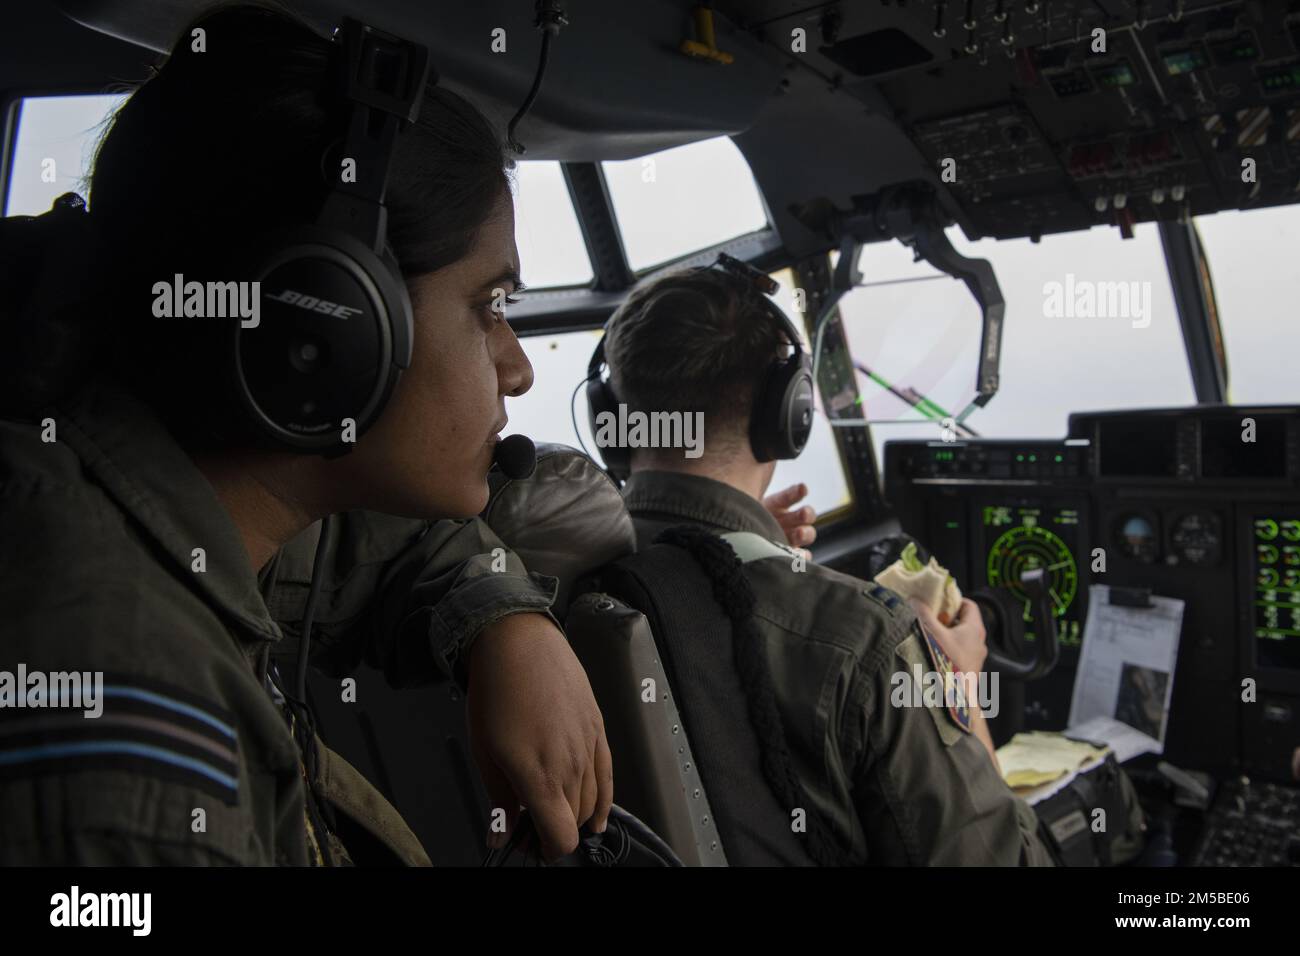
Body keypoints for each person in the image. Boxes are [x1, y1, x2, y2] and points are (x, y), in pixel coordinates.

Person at [0, 6, 611, 865]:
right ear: (330, 332)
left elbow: (381, 550)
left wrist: (508, 625)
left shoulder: (155, 486)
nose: (519, 369)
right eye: (491, 308)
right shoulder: (125, 755)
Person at [597, 263, 1054, 865]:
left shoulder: (560, 574)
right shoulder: (864, 638)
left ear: (613, 415)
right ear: (786, 415)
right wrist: (960, 688)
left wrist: (728, 542)